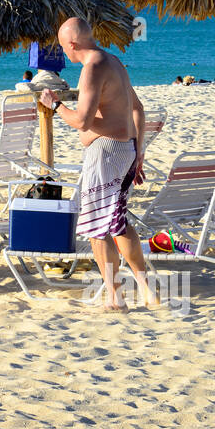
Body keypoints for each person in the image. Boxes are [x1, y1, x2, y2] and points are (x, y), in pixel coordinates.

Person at [43, 17, 157, 311]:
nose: (64, 53)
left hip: (106, 153)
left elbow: (81, 121)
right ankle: (146, 290)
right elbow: (137, 109)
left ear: (72, 43)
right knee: (118, 221)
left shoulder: (92, 68)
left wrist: (55, 105)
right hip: (125, 150)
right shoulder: (114, 61)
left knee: (98, 228)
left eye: (62, 46)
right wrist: (138, 149)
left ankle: (115, 298)